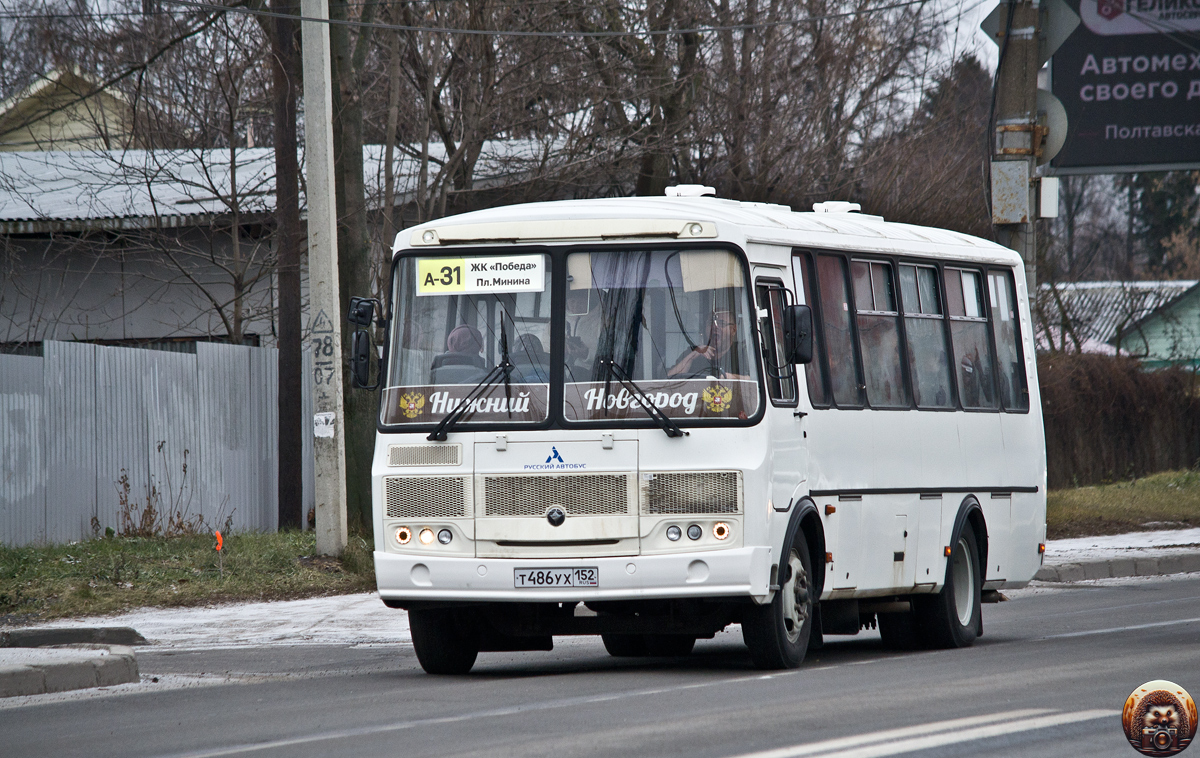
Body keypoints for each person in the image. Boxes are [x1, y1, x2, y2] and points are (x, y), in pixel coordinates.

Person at [668, 310, 747, 379]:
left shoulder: (743, 351)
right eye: (710, 323)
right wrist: (692, 356)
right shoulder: (694, 352)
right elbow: (668, 379)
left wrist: (729, 377)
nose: (715, 327)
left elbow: (755, 379)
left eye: (722, 323)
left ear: (733, 330)